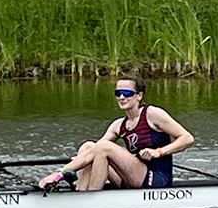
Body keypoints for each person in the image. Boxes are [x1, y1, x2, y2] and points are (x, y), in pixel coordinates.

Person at [38, 75, 194, 190]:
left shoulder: (152, 114)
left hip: (157, 179)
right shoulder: (118, 125)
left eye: (126, 94)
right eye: (118, 93)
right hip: (130, 177)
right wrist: (61, 171)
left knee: (104, 146)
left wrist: (159, 152)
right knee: (88, 146)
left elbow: (187, 138)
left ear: (139, 96)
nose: (121, 97)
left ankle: (91, 198)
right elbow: (93, 152)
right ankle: (81, 192)